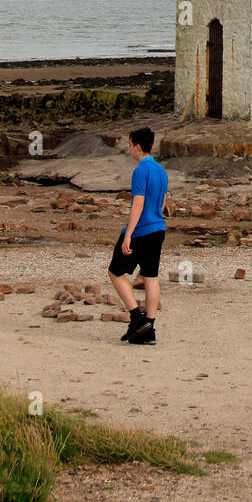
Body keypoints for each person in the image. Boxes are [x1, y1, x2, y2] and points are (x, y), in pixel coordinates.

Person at [108, 126, 168, 345]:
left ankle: (135, 317)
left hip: (141, 231)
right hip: (158, 228)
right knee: (151, 277)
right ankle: (149, 328)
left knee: (115, 271)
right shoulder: (161, 170)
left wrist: (128, 235)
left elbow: (138, 204)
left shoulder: (141, 170)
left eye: (129, 145)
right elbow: (163, 202)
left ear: (138, 147)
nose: (129, 149)